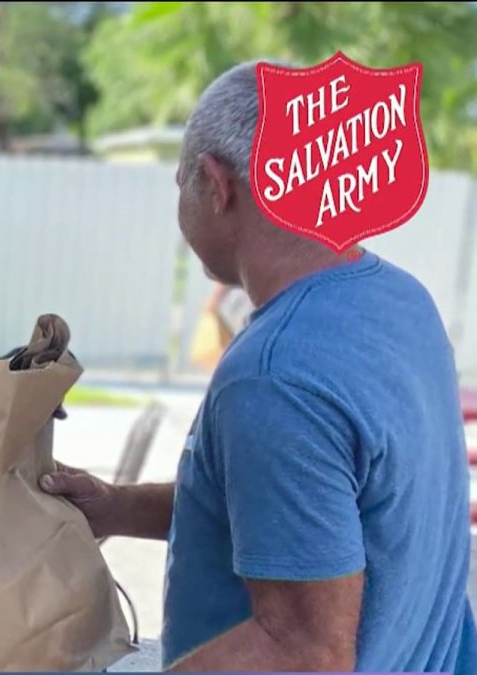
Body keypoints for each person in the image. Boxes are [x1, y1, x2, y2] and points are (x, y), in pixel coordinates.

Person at [41, 60, 477, 673]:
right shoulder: (400, 301)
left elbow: (303, 652)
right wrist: (115, 507)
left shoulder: (275, 376)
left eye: (180, 183)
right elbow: (299, 515)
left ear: (216, 186)